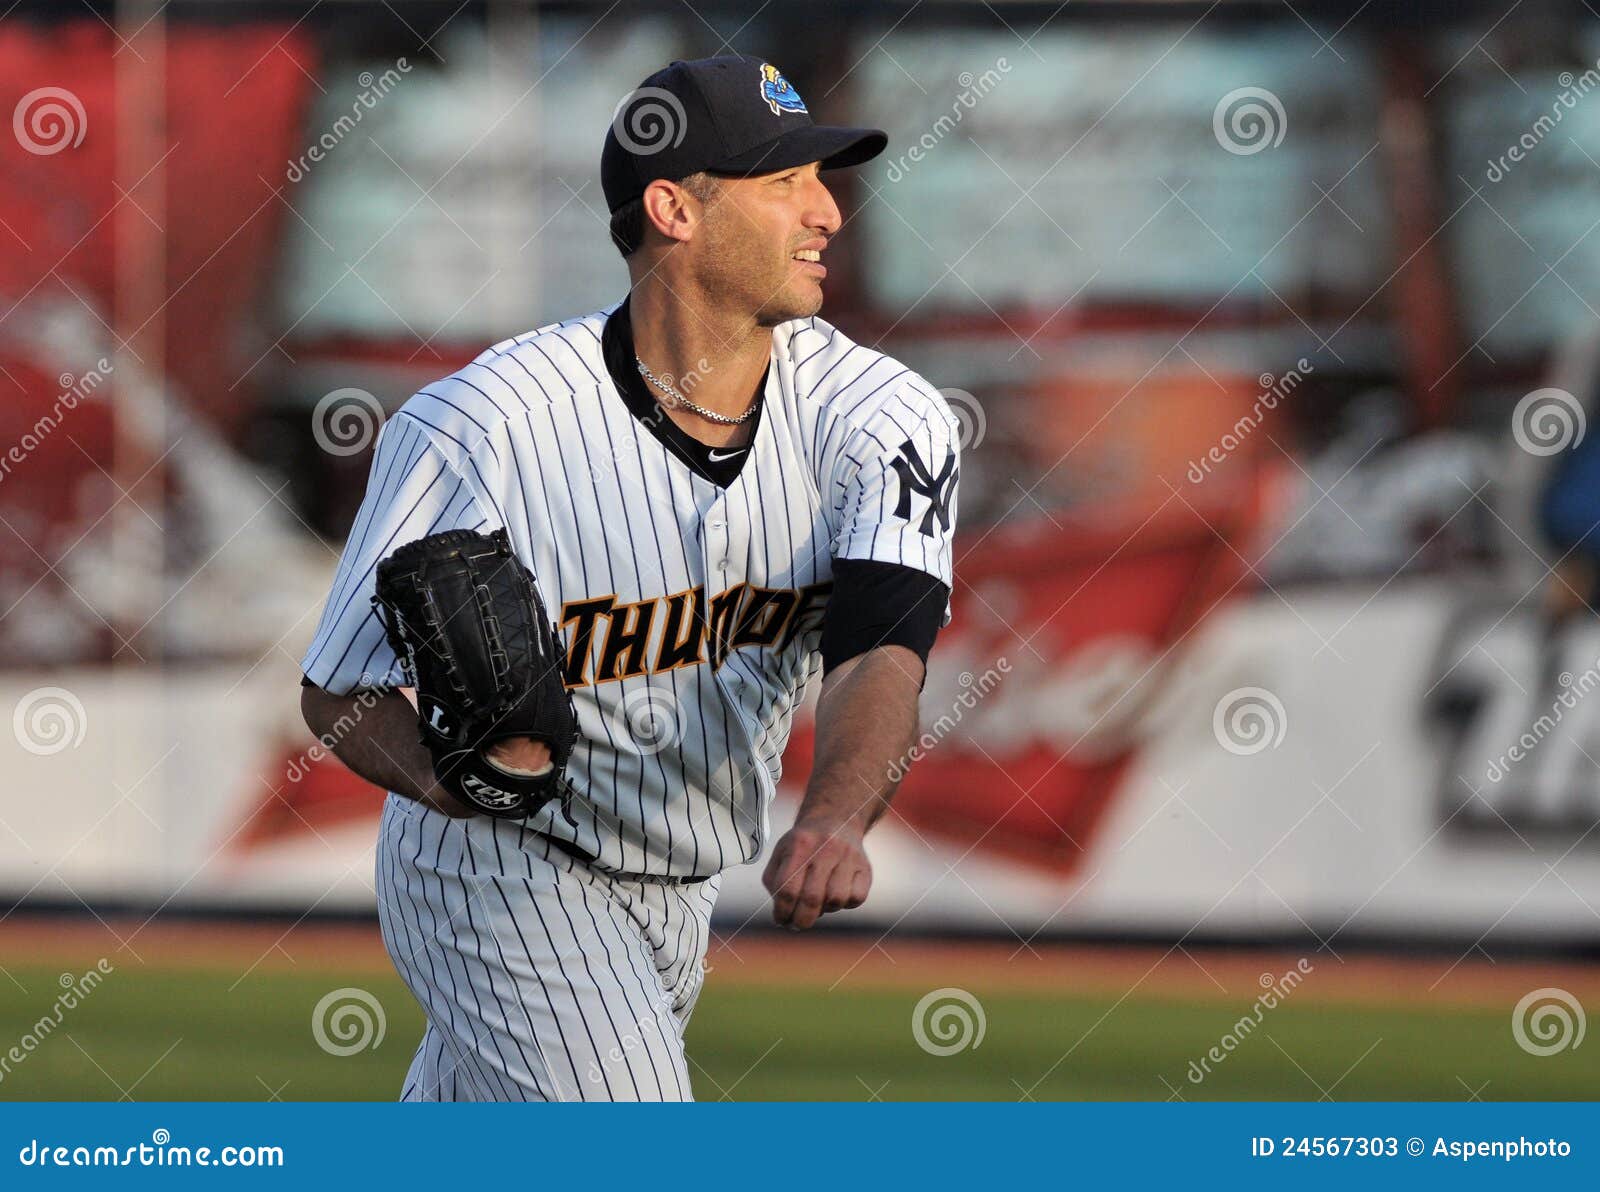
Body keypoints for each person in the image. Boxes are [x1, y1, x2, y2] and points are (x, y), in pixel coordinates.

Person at [298, 54, 960, 1102]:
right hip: (495, 866)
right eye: (785, 181)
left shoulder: (883, 419)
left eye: (823, 179)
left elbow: (882, 645)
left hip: (679, 880)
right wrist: (453, 781)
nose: (825, 211)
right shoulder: (486, 423)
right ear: (673, 209)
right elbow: (335, 689)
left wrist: (834, 816)